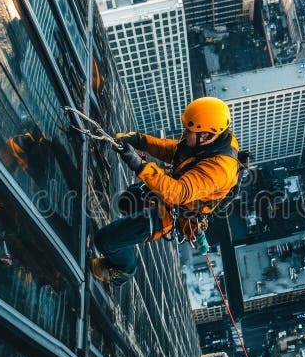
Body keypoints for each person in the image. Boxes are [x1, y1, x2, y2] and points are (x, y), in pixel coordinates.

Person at [90, 97, 240, 286]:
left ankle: (123, 270)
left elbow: (177, 192)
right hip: (170, 192)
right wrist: (141, 140)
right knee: (126, 201)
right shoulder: (208, 140)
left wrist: (139, 165)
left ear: (208, 135)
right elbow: (176, 151)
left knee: (104, 241)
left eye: (190, 131)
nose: (184, 134)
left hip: (173, 211)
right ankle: (131, 230)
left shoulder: (219, 170)